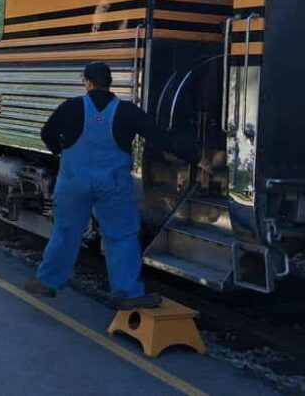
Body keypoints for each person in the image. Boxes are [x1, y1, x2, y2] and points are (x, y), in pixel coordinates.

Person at [26, 61, 199, 309]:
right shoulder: (127, 111)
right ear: (110, 83)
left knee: (65, 232)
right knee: (122, 236)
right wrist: (196, 157)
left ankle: (48, 282)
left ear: (87, 82)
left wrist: (62, 151)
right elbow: (159, 136)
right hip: (113, 186)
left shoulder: (71, 107)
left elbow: (47, 134)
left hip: (74, 183)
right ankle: (126, 293)